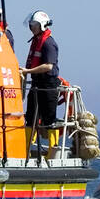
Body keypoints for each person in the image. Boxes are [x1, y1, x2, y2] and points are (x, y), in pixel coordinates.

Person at [19, 10, 61, 159]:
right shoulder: (36, 41)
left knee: (50, 120)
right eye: (31, 25)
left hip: (48, 85)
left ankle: (52, 153)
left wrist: (28, 70)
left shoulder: (49, 43)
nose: (31, 27)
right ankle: (24, 150)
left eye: (34, 25)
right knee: (30, 117)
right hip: (37, 84)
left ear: (41, 25)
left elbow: (49, 66)